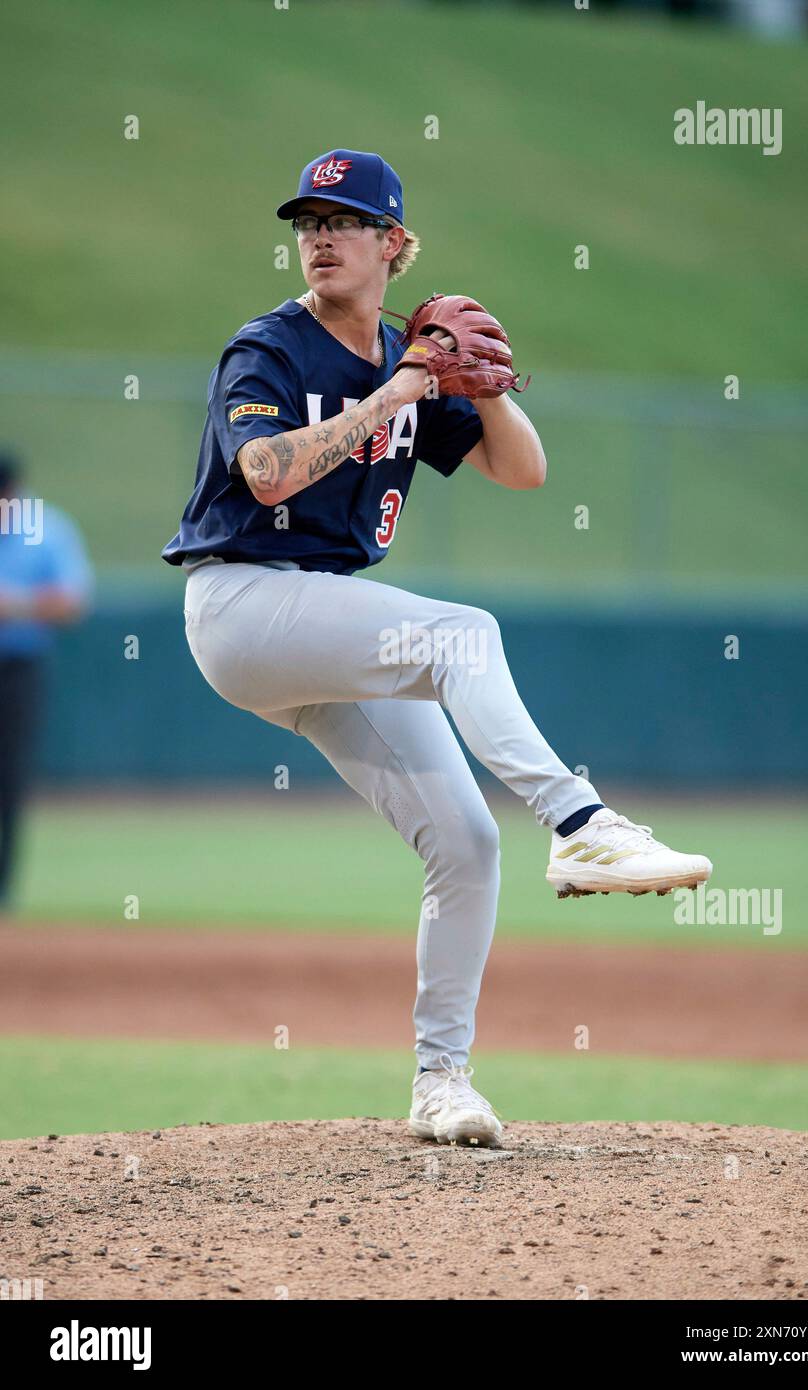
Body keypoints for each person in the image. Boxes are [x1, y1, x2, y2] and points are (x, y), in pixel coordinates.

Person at [163, 149, 712, 1148]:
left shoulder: (409, 353)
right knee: (462, 633)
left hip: (324, 623)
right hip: (240, 604)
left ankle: (440, 1082)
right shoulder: (270, 348)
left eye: (344, 219)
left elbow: (525, 471)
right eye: (306, 220)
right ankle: (580, 820)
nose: (319, 236)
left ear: (392, 245)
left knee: (464, 843)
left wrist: (484, 386)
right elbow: (268, 474)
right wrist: (400, 390)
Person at [0, 454, 92, 911]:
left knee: (9, 779)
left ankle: (3, 894)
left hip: (18, 667)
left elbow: (72, 601)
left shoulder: (45, 528)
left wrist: (12, 605)